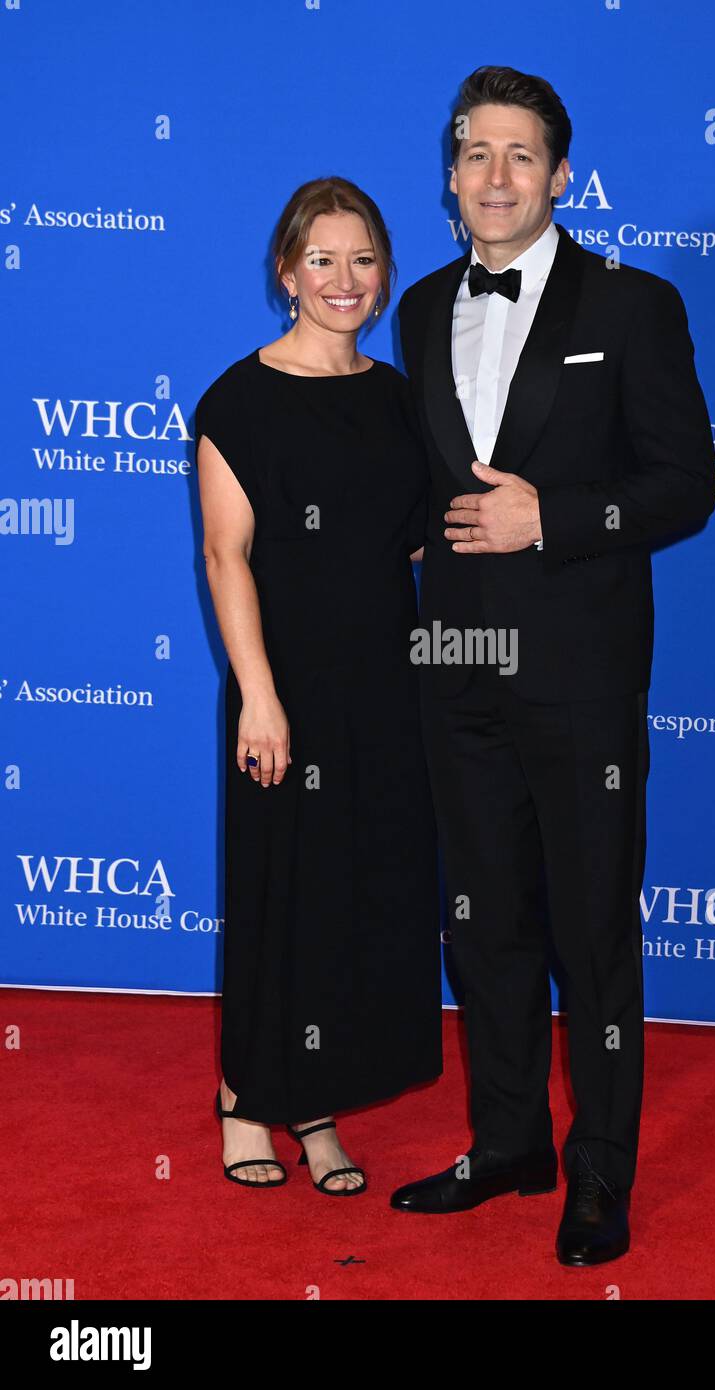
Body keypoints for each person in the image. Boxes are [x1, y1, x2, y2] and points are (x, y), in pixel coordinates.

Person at [390, 67, 715, 1263]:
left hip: (580, 670)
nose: (494, 176)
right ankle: (509, 1142)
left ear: (561, 174)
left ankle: (599, 1175)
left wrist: (559, 519)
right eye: (474, 153)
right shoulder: (422, 307)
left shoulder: (635, 306)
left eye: (519, 155)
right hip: (455, 662)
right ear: (450, 174)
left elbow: (687, 484)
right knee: (483, 925)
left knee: (592, 934)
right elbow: (426, 480)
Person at [194, 177, 441, 1193]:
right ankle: (245, 1101)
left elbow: (418, 539)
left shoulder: (395, 398)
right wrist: (258, 693)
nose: (345, 280)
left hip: (386, 689)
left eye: (364, 259)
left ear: (384, 273)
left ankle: (317, 1107)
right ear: (287, 272)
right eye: (323, 260)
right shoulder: (238, 400)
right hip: (282, 690)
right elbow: (226, 555)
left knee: (355, 900)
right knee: (278, 896)